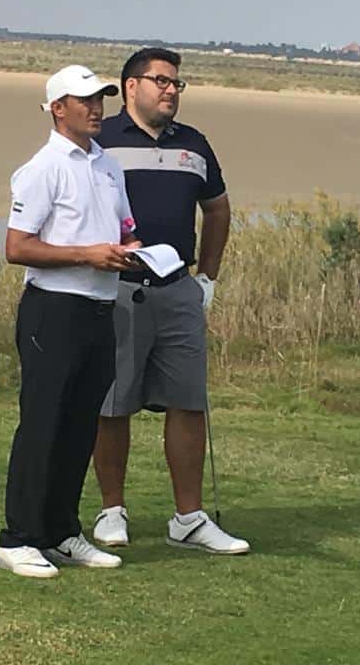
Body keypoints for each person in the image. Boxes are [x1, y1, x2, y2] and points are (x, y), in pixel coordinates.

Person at [91, 48, 249, 554]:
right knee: (113, 403)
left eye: (176, 83)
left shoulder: (194, 145)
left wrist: (208, 278)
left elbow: (218, 210)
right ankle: (111, 509)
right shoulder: (102, 140)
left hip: (178, 287)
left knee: (187, 401)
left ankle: (189, 517)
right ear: (130, 87)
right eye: (160, 81)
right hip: (117, 287)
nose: (170, 91)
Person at [0, 65, 140, 579]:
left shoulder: (108, 166)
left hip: (100, 309)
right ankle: (17, 538)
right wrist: (87, 256)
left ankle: (60, 530)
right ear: (58, 108)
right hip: (52, 310)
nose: (96, 107)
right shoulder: (42, 168)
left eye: (99, 98)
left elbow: (123, 228)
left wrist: (132, 252)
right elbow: (18, 247)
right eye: (84, 100)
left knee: (80, 426)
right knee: (42, 423)